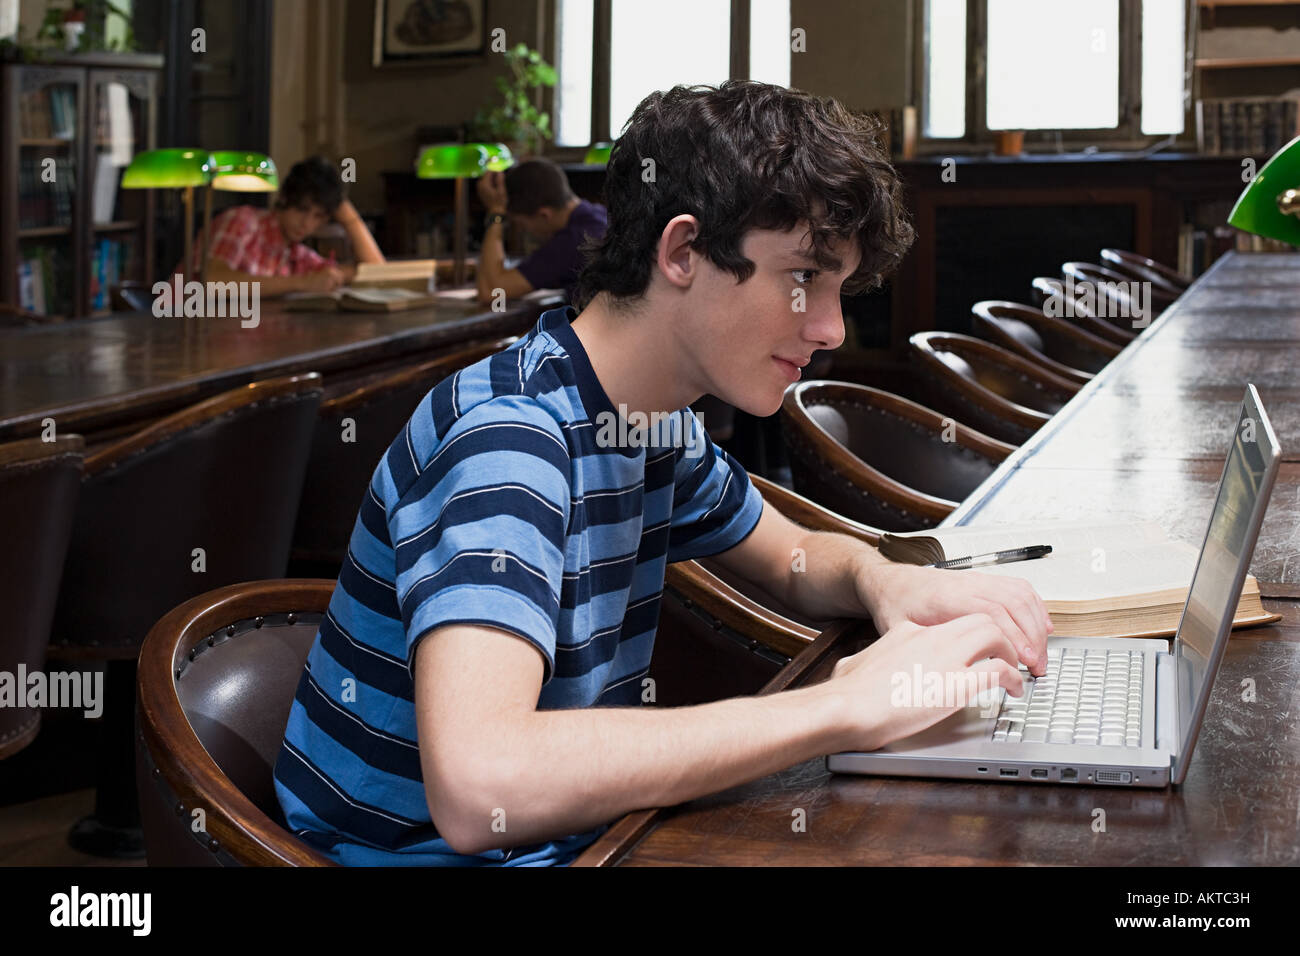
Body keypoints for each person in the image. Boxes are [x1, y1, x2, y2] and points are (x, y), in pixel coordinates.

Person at [273, 81, 1051, 866]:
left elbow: (793, 558)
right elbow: (484, 788)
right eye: (804, 279)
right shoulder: (511, 439)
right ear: (682, 252)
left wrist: (891, 584)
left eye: (838, 290)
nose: (830, 328)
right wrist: (843, 706)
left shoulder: (648, 420)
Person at [179, 155, 386, 297]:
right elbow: (213, 282)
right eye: (302, 210)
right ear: (284, 198)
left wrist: (347, 215)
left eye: (318, 216)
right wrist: (302, 283)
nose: (307, 223)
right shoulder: (243, 221)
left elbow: (378, 273)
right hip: (180, 329)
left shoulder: (297, 255)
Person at [474, 157, 607, 304]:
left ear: (544, 215)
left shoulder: (575, 241)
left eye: (522, 224)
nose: (526, 231)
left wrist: (496, 212)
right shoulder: (601, 216)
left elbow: (492, 292)